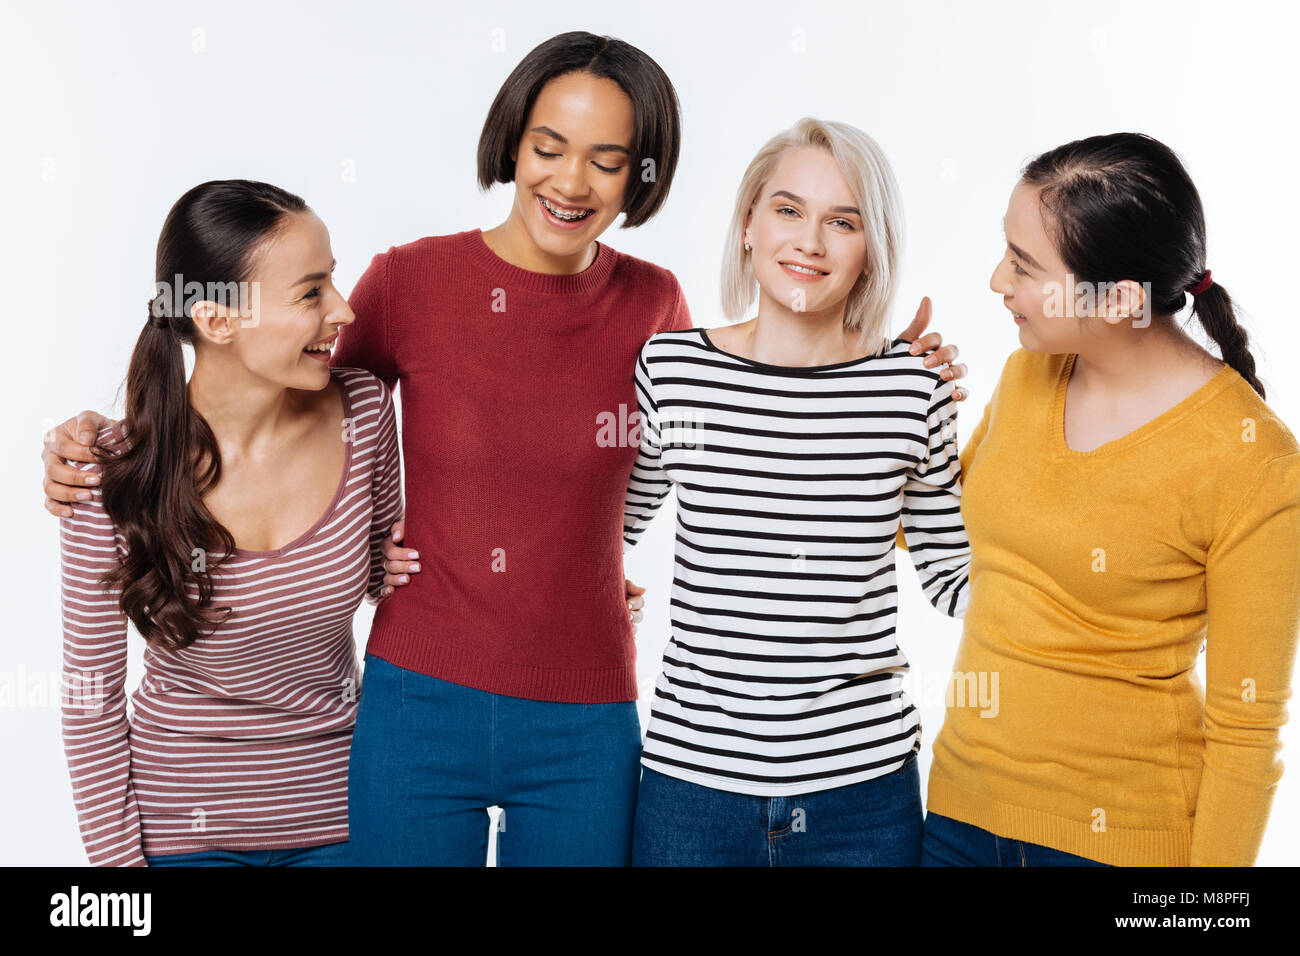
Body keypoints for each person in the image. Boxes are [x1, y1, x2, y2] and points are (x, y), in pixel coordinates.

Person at [43, 32, 968, 866]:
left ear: (639, 176)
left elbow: (727, 444)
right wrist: (108, 446)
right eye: (548, 149)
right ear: (512, 145)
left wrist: (887, 375)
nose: (571, 183)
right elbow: (275, 389)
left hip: (588, 714)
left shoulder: (657, 310)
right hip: (417, 700)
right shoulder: (409, 281)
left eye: (607, 162)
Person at [921, 132, 1300, 867]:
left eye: (1025, 265)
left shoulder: (1254, 460)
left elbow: (1246, 728)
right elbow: (935, 530)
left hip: (1118, 848)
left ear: (1122, 299)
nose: (998, 281)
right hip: (958, 818)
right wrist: (895, 405)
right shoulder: (1027, 376)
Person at [621, 118, 970, 866]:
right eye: (787, 210)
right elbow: (605, 527)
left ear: (872, 247)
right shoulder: (673, 371)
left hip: (862, 795)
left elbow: (956, 576)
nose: (810, 242)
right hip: (691, 787)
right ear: (747, 224)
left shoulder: (913, 390)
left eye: (842, 221)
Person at [58, 179, 402, 866]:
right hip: (180, 836)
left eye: (331, 281)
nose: (343, 311)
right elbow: (89, 698)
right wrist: (124, 874)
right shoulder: (106, 472)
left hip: (344, 821)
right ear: (217, 321)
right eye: (311, 293)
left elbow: (384, 579)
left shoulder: (364, 410)